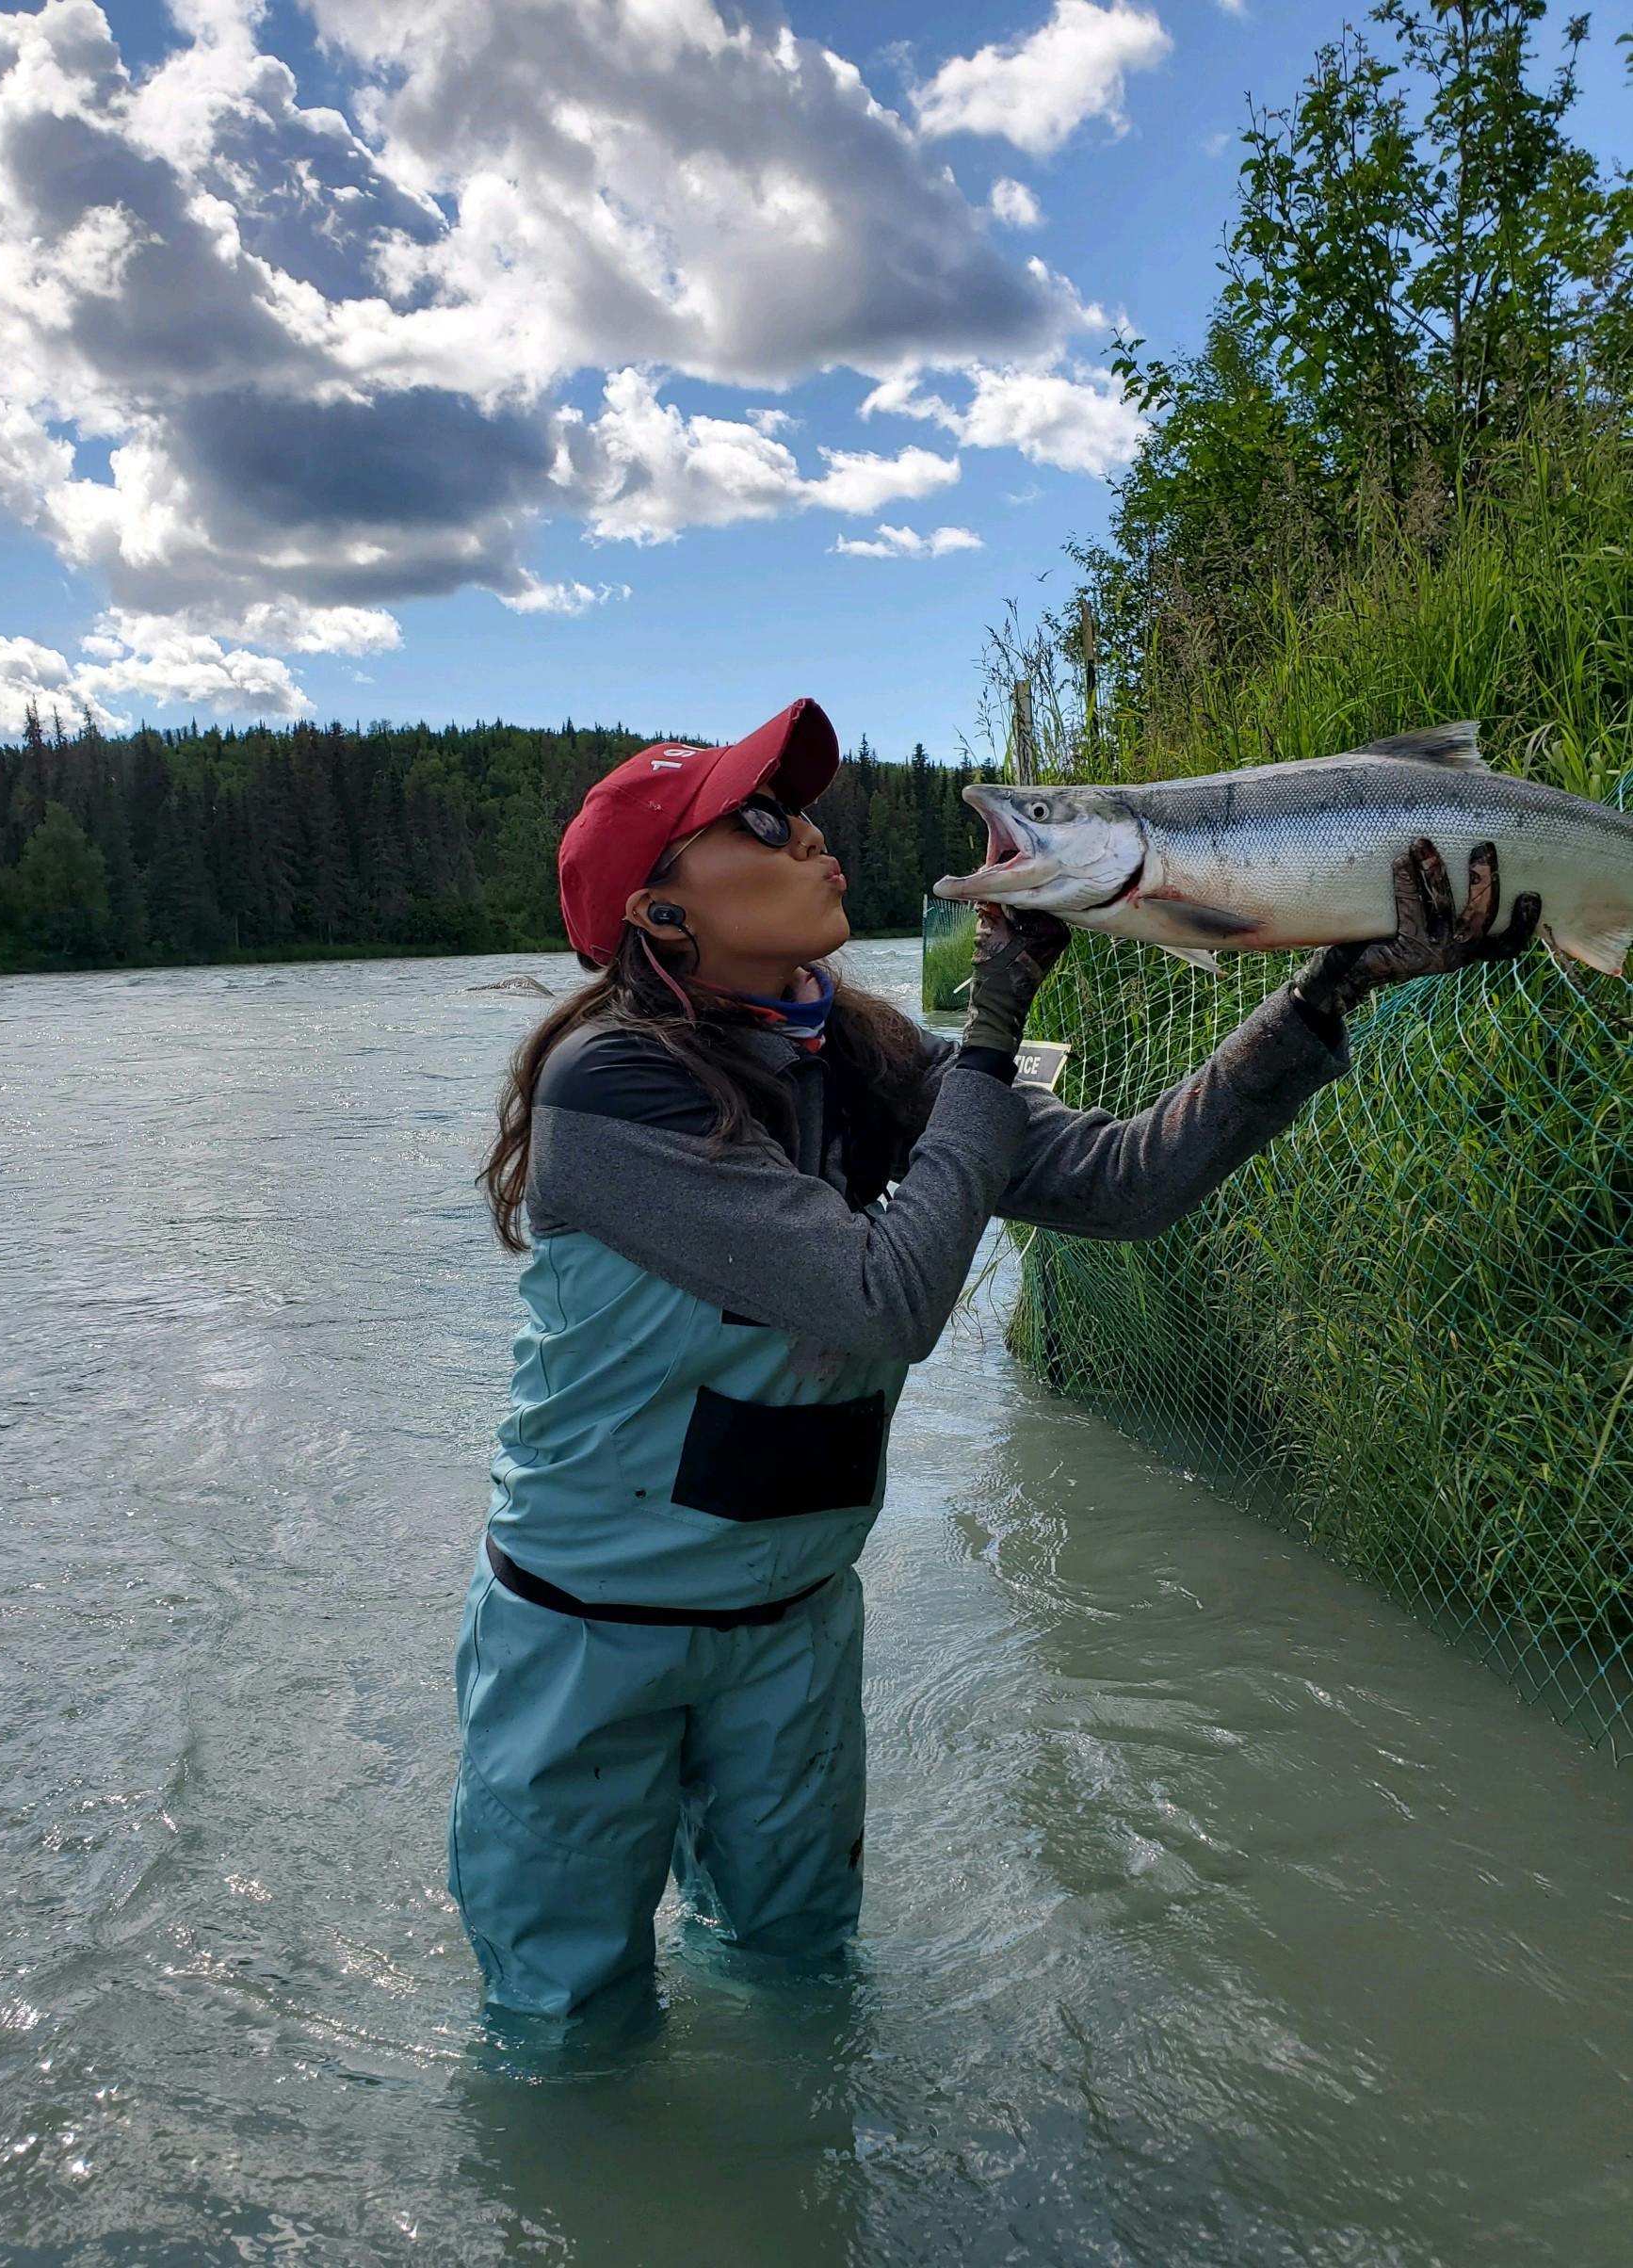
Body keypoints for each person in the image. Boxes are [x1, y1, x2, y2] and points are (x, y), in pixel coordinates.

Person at [448, 695, 1540, 2022]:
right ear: (655, 911)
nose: (810, 836)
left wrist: (1329, 990)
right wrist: (994, 1022)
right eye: (756, 821)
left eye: (796, 810)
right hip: (588, 1636)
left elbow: (1129, 1183)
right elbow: (881, 1300)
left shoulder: (868, 1058)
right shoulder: (615, 1089)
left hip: (789, 1627)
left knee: (798, 1981)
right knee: (564, 2026)